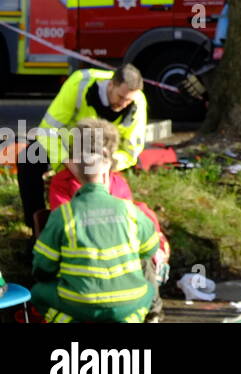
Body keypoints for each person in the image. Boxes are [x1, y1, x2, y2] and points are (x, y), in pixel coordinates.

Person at [31, 118, 159, 323]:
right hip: (123, 294)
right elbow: (148, 248)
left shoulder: (65, 212)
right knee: (146, 291)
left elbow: (43, 266)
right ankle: (138, 317)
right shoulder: (126, 206)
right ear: (108, 160)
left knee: (38, 293)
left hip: (81, 296)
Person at [19, 64, 146, 230]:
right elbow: (47, 131)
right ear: (110, 85)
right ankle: (36, 225)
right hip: (66, 145)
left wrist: (105, 165)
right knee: (28, 159)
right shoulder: (79, 84)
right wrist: (66, 162)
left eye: (128, 100)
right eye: (120, 97)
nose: (123, 104)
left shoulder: (138, 102)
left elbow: (131, 151)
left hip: (104, 155)